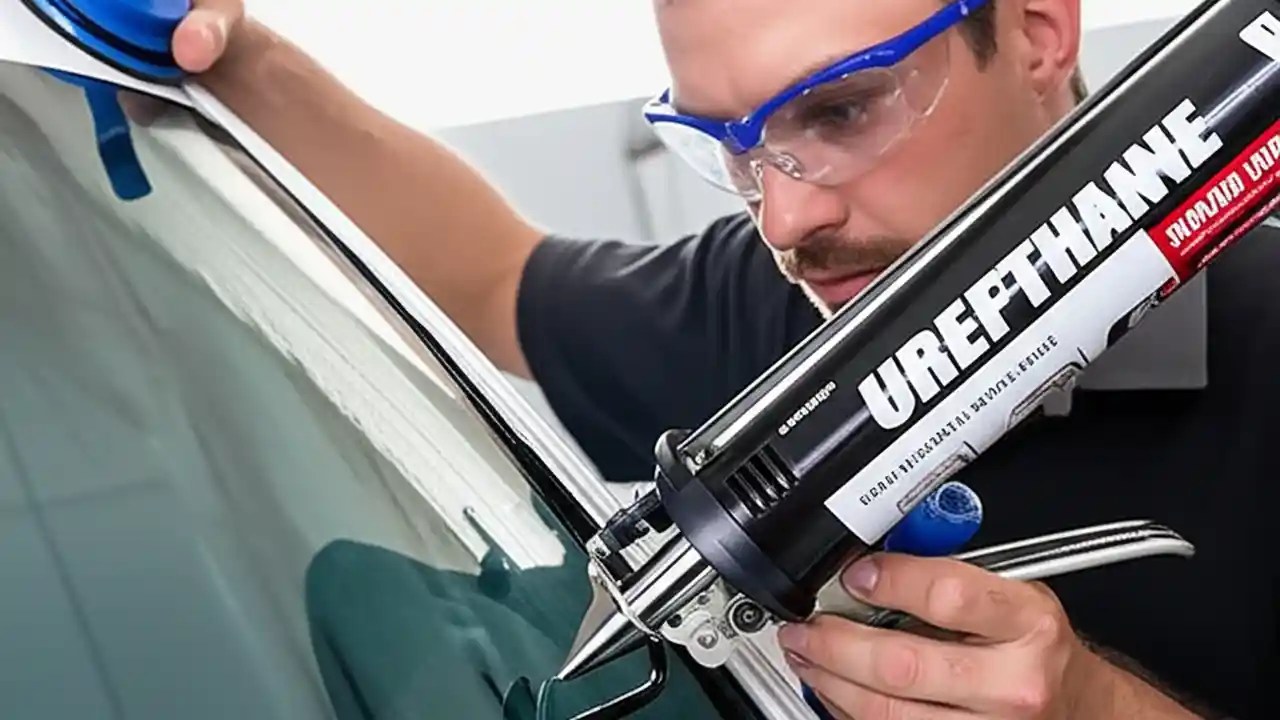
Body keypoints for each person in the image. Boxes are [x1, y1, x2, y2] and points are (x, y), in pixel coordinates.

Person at [166, 1, 1276, 718]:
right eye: (731, 149)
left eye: (839, 108)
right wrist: (235, 53)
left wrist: (1098, 710)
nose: (782, 220)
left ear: (1035, 32)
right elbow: (494, 278)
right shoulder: (772, 312)